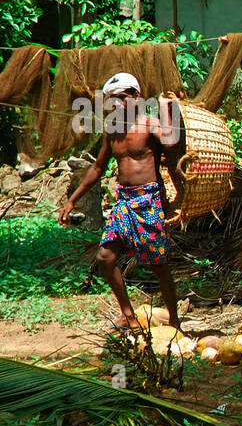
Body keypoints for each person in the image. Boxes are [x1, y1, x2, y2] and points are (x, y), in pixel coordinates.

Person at [58, 72, 184, 332]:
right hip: (124, 200)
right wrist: (73, 200)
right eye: (111, 99)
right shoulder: (112, 130)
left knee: (158, 265)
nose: (116, 104)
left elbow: (171, 142)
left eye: (122, 98)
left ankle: (174, 321)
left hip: (149, 199)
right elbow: (98, 168)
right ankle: (128, 314)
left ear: (136, 97)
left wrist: (166, 107)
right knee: (105, 258)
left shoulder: (149, 123)